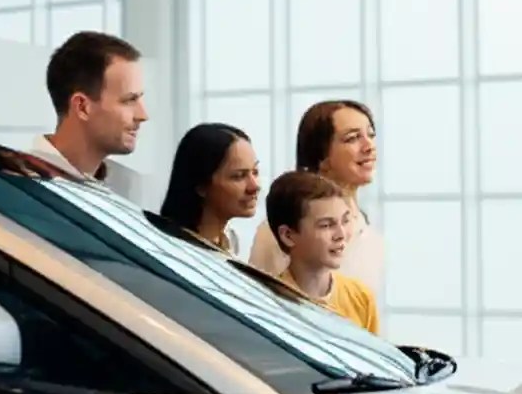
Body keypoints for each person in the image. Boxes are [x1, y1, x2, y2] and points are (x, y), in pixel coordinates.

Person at [248, 100, 384, 296]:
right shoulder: (279, 230)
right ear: (321, 156)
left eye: (370, 135)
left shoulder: (368, 233)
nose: (369, 146)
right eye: (352, 138)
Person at [32, 31, 147, 201]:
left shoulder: (131, 189)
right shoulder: (20, 189)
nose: (143, 115)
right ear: (82, 107)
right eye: (129, 100)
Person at [265, 170, 379, 335]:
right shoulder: (269, 305)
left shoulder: (361, 298)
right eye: (326, 225)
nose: (341, 234)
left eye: (345, 220)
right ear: (288, 235)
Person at [159, 123, 260, 256]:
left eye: (255, 172)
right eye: (239, 176)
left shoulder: (231, 240)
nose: (255, 186)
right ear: (201, 185)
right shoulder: (173, 251)